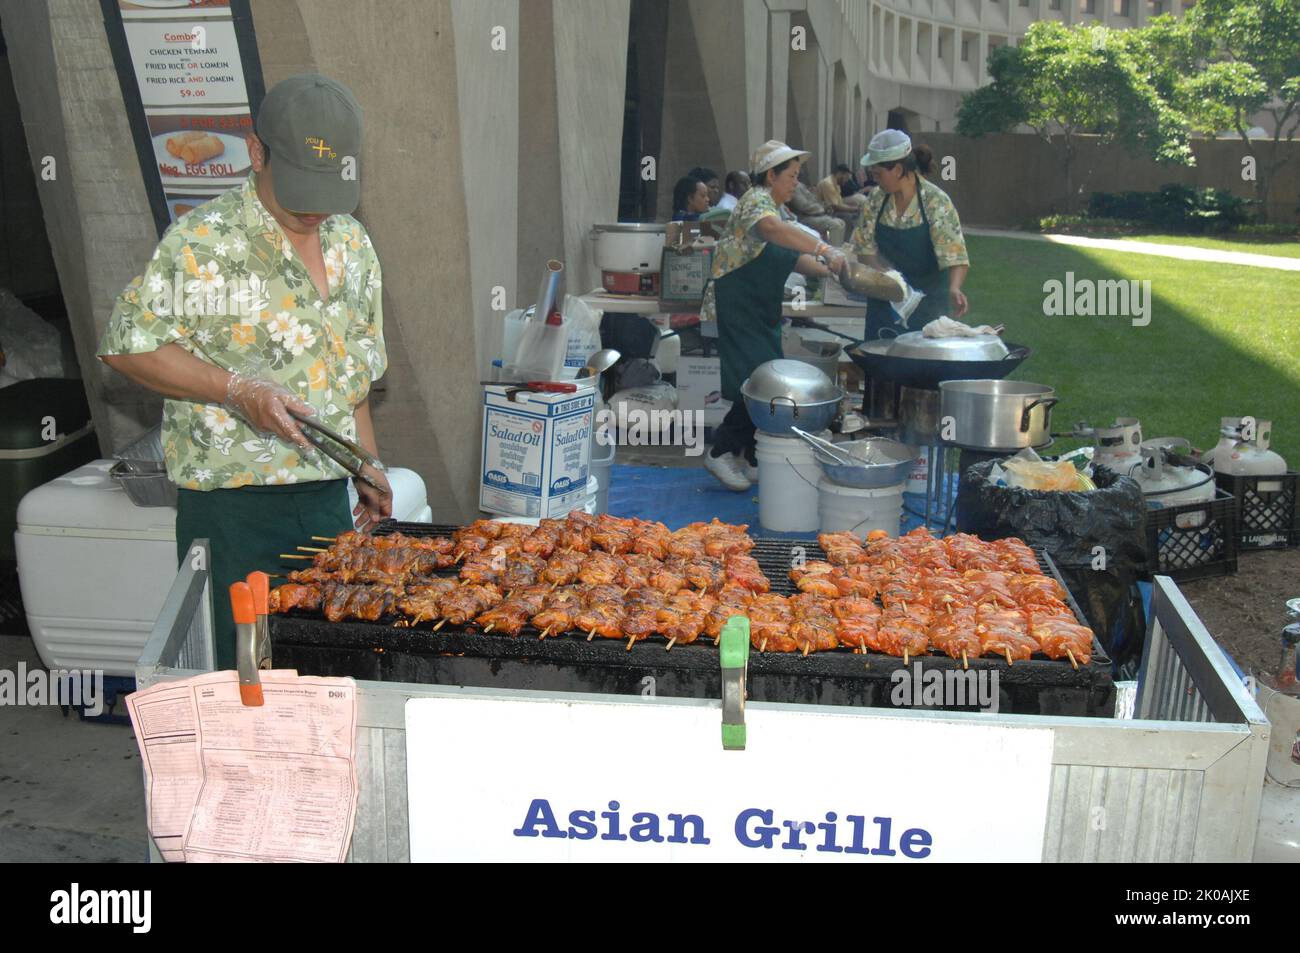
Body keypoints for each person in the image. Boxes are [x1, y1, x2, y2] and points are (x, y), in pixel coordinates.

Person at [97, 74, 392, 670]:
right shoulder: (201, 244)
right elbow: (128, 347)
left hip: (326, 504)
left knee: (328, 677)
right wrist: (235, 390)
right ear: (256, 153)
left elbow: (353, 372)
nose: (314, 209)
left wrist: (367, 460)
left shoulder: (351, 242)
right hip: (234, 510)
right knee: (248, 687)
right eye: (299, 188)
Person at [699, 141, 847, 491]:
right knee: (758, 383)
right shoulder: (757, 203)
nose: (796, 183)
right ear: (771, 175)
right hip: (738, 302)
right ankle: (720, 451)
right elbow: (772, 232)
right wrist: (824, 248)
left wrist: (831, 271)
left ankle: (750, 457)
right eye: (791, 176)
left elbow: (792, 257)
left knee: (764, 377)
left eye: (797, 176)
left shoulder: (780, 212)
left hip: (759, 306)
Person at [851, 129, 969, 340]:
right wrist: (889, 279)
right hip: (883, 305)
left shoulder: (935, 202)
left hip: (928, 308)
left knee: (923, 368)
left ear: (897, 169)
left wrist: (954, 288)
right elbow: (864, 248)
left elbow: (955, 254)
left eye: (878, 174)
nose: (875, 180)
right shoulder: (877, 199)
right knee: (880, 364)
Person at [787, 177, 846, 246]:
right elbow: (803, 206)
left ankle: (838, 247)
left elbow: (814, 200)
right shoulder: (794, 186)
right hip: (804, 217)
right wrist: (822, 209)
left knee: (841, 222)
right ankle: (833, 252)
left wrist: (824, 206)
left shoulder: (801, 185)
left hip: (813, 215)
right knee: (835, 225)